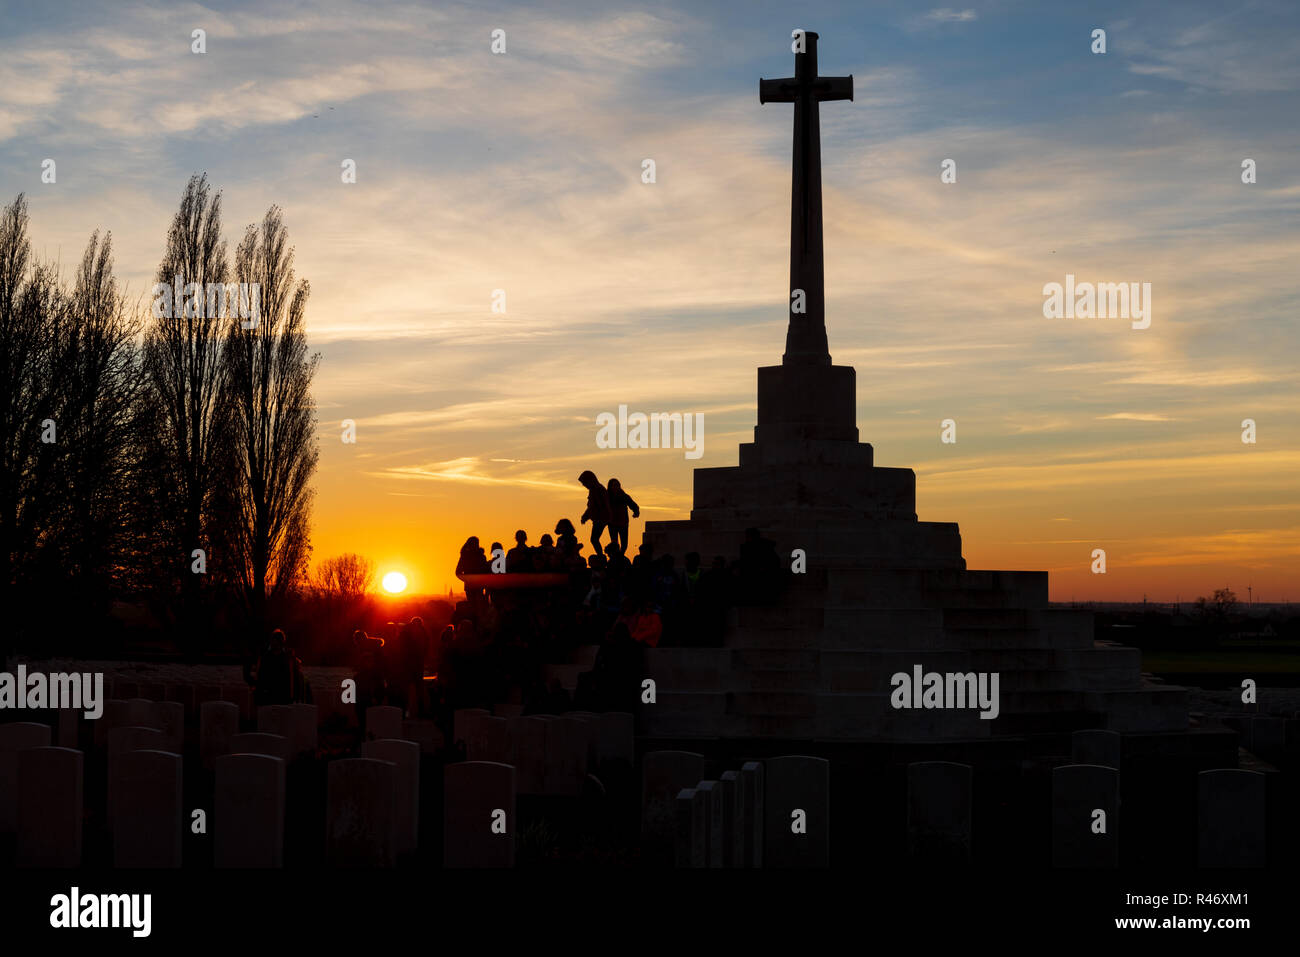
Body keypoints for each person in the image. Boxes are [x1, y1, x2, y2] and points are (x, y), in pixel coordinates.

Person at [251, 628, 294, 706]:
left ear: (280, 642)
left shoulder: (286, 658)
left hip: (282, 696)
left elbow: (288, 678)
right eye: (273, 640)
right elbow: (260, 675)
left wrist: (289, 697)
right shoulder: (265, 656)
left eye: (276, 640)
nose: (273, 642)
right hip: (267, 695)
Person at [578, 470, 612, 555]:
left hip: (601, 518)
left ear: (590, 480)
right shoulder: (595, 489)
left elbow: (594, 506)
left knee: (594, 539)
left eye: (584, 482)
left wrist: (585, 517)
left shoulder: (597, 490)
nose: (583, 485)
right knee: (594, 539)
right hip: (601, 518)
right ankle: (600, 555)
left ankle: (600, 556)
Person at [606, 478, 640, 555]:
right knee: (614, 543)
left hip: (623, 523)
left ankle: (620, 556)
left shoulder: (624, 496)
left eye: (618, 485)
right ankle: (615, 557)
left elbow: (633, 505)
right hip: (612, 523)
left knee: (624, 544)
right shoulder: (607, 496)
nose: (616, 487)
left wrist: (636, 512)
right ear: (610, 486)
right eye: (614, 485)